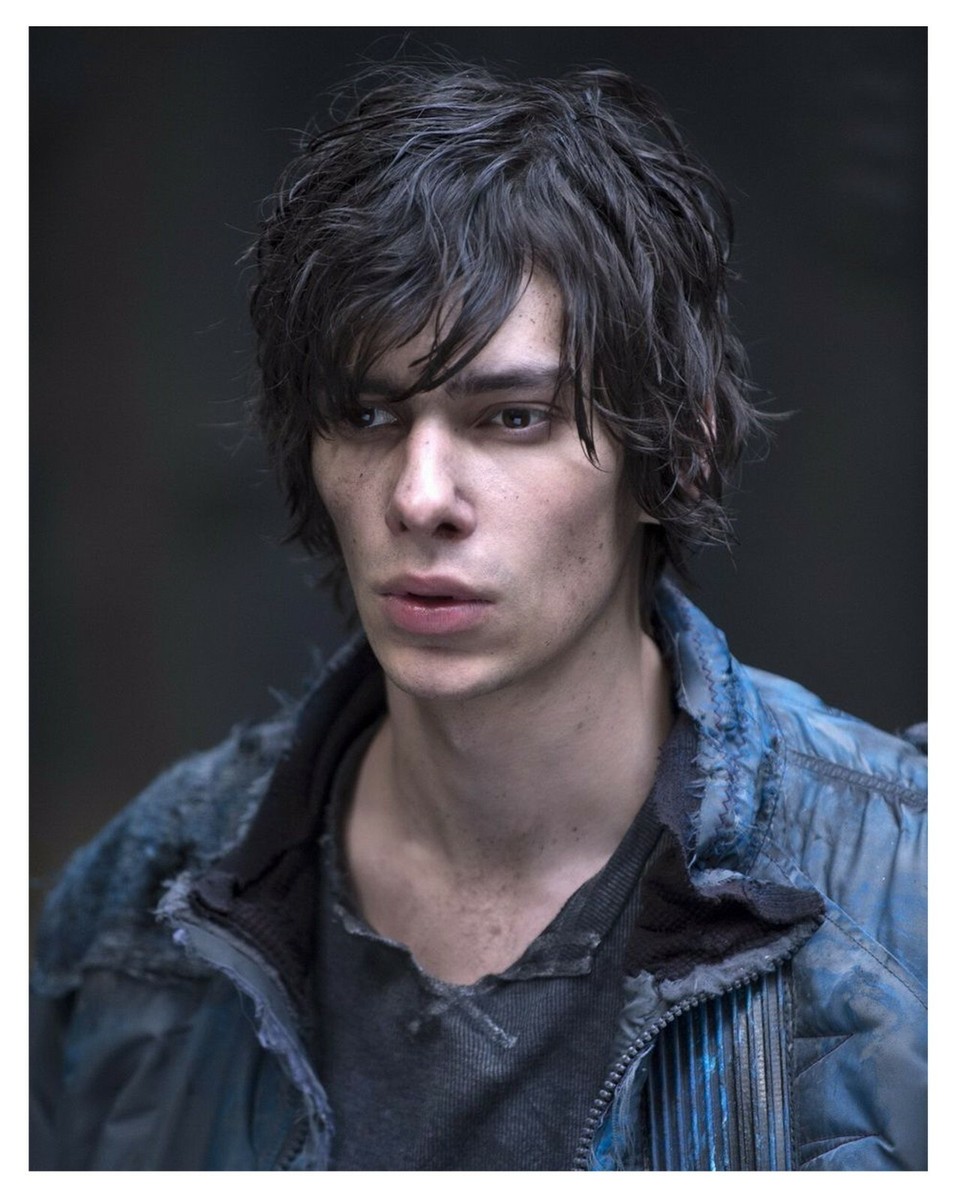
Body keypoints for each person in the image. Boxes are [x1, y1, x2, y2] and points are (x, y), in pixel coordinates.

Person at [30, 63, 927, 1171]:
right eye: (368, 416)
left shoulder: (910, 909)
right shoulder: (140, 905)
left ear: (679, 450)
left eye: (512, 417)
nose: (420, 498)